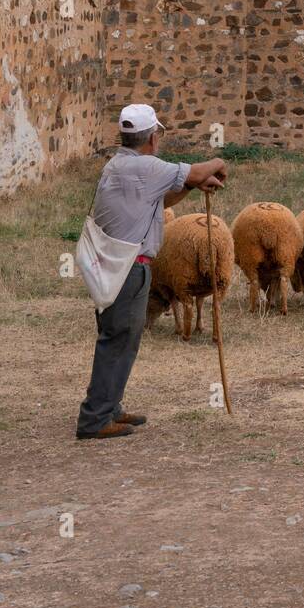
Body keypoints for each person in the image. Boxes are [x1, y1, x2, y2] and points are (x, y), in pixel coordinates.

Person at [75, 104, 227, 440]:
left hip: (112, 266)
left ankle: (109, 407)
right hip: (130, 269)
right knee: (118, 341)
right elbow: (201, 169)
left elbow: (162, 201)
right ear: (153, 138)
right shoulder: (145, 167)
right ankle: (95, 419)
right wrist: (216, 163)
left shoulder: (120, 166)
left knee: (119, 340)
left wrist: (190, 186)